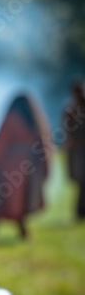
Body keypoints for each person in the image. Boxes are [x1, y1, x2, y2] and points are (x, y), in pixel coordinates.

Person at [0, 94, 50, 239]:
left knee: (5, 199)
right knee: (18, 199)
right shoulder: (34, 121)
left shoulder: (11, 119)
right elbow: (44, 145)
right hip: (29, 165)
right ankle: (15, 232)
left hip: (9, 166)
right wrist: (44, 166)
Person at [65, 82, 85, 220]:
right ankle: (80, 211)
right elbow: (66, 131)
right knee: (79, 180)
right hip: (77, 150)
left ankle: (80, 211)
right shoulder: (70, 110)